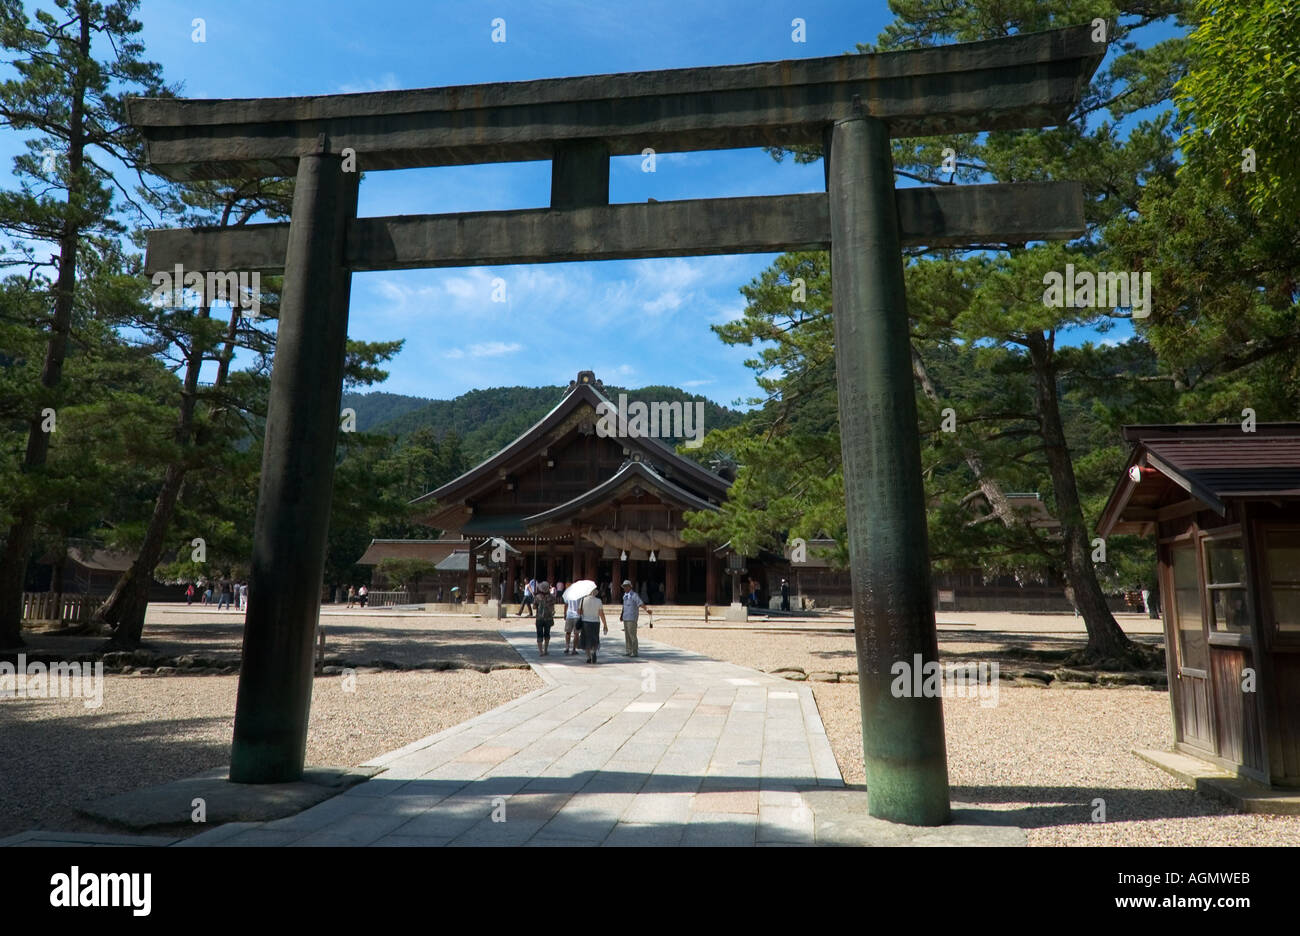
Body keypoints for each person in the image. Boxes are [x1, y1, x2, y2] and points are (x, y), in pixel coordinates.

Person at [619, 579, 651, 657]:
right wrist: (621, 615)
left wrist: (646, 609)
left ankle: (634, 651)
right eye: (624, 586)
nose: (625, 588)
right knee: (627, 635)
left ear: (630, 587)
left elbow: (640, 603)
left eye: (626, 586)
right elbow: (624, 606)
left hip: (632, 617)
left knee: (632, 635)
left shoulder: (634, 595)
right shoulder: (625, 596)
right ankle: (628, 650)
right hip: (626, 617)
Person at [578, 589, 608, 664]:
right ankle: (594, 651)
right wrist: (605, 624)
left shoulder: (583, 600)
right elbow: (601, 613)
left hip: (585, 621)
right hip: (595, 622)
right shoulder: (599, 601)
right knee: (594, 638)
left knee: (586, 639)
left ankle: (588, 657)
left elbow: (579, 612)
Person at [534, 581, 556, 656]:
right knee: (547, 634)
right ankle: (546, 650)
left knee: (539, 634)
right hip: (548, 617)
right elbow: (553, 608)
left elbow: (534, 607)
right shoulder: (552, 597)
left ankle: (541, 651)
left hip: (539, 618)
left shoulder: (537, 597)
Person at [563, 587, 582, 655]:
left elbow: (566, 605)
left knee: (568, 632)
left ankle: (567, 647)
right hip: (577, 616)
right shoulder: (581, 595)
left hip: (569, 615)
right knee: (576, 633)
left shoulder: (568, 594)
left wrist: (564, 614)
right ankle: (574, 649)